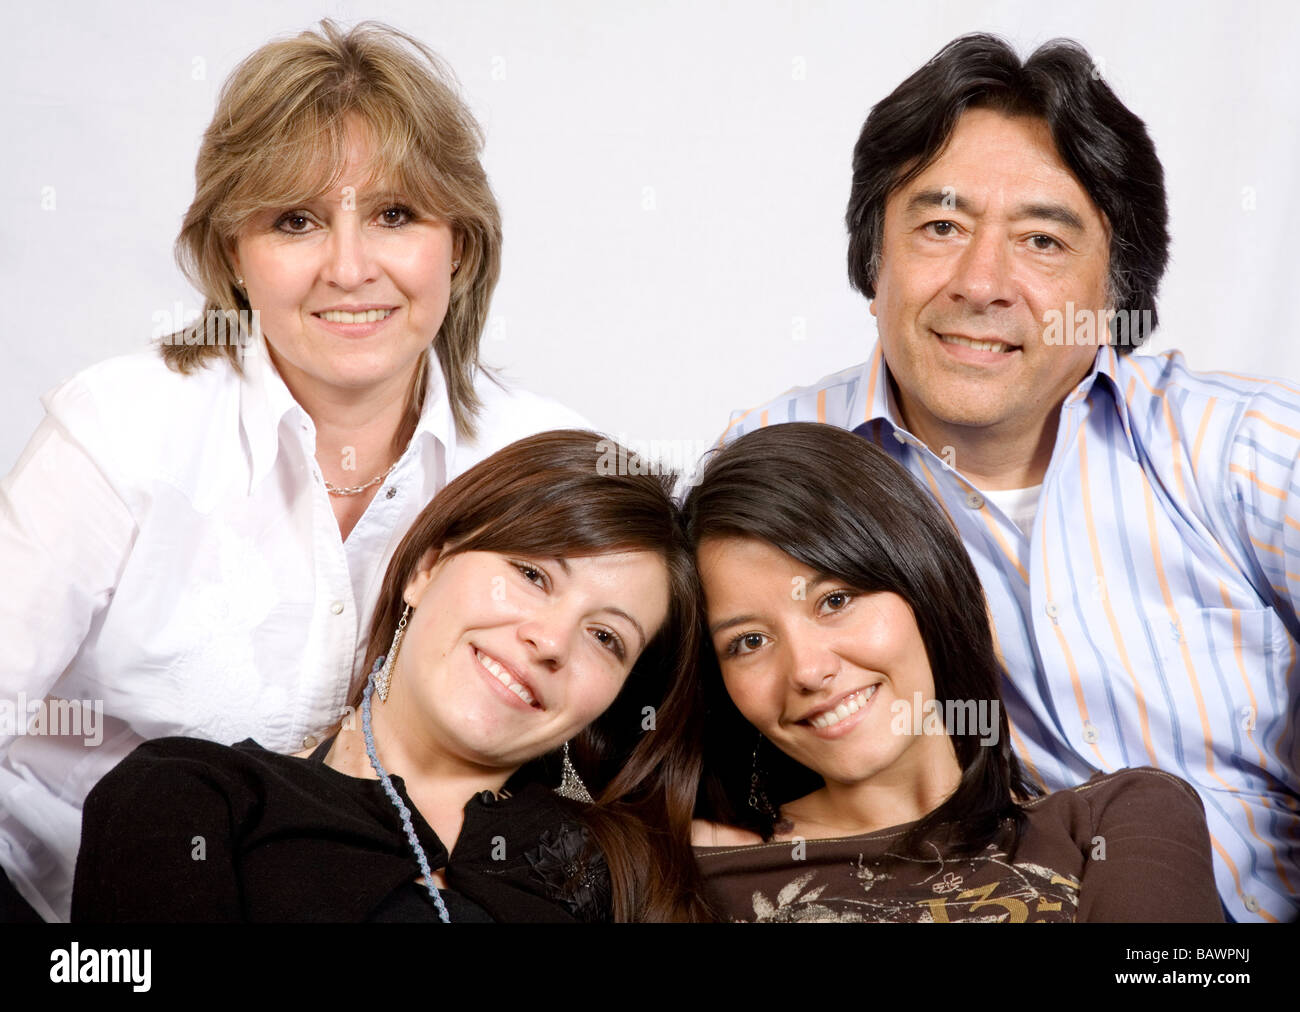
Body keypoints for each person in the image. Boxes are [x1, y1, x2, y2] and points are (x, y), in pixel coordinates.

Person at [0, 20, 590, 922]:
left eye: (396, 215)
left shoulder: (543, 460)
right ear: (233, 254)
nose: (350, 269)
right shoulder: (119, 427)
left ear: (459, 246)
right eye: (296, 221)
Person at [714, 33, 1299, 922]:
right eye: (940, 226)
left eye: (1041, 240)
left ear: (1115, 287)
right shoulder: (780, 455)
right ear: (874, 260)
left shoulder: (1240, 446)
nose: (981, 282)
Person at [72, 430, 707, 922]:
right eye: (532, 575)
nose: (549, 641)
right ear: (426, 568)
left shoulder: (629, 868)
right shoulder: (191, 797)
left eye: (605, 638)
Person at [685, 423, 1223, 922]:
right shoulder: (689, 871)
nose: (806, 670)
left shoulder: (1122, 820)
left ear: (927, 589)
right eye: (749, 641)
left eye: (836, 600)